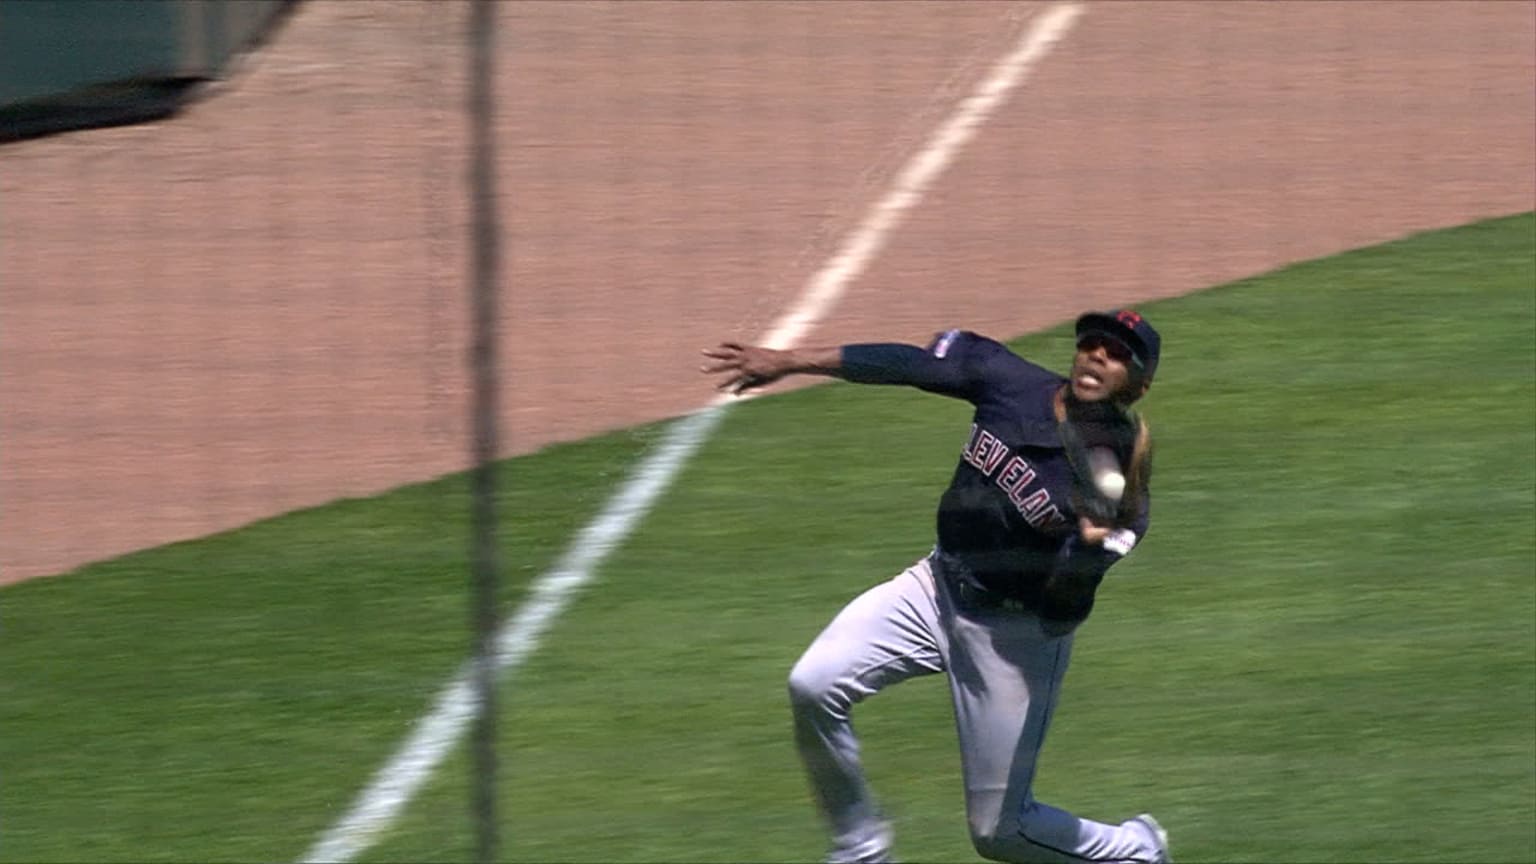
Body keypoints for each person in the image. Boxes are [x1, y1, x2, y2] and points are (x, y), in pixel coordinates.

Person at [700, 310, 1172, 864]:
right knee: (814, 686)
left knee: (1000, 834)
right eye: (1092, 342)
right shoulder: (1009, 382)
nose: (1098, 355)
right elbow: (910, 365)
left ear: (1138, 384)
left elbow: (1062, 611)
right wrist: (789, 362)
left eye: (1117, 355)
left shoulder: (1120, 496)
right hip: (933, 588)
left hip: (1013, 639)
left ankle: (1136, 851)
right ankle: (861, 848)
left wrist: (1085, 552)